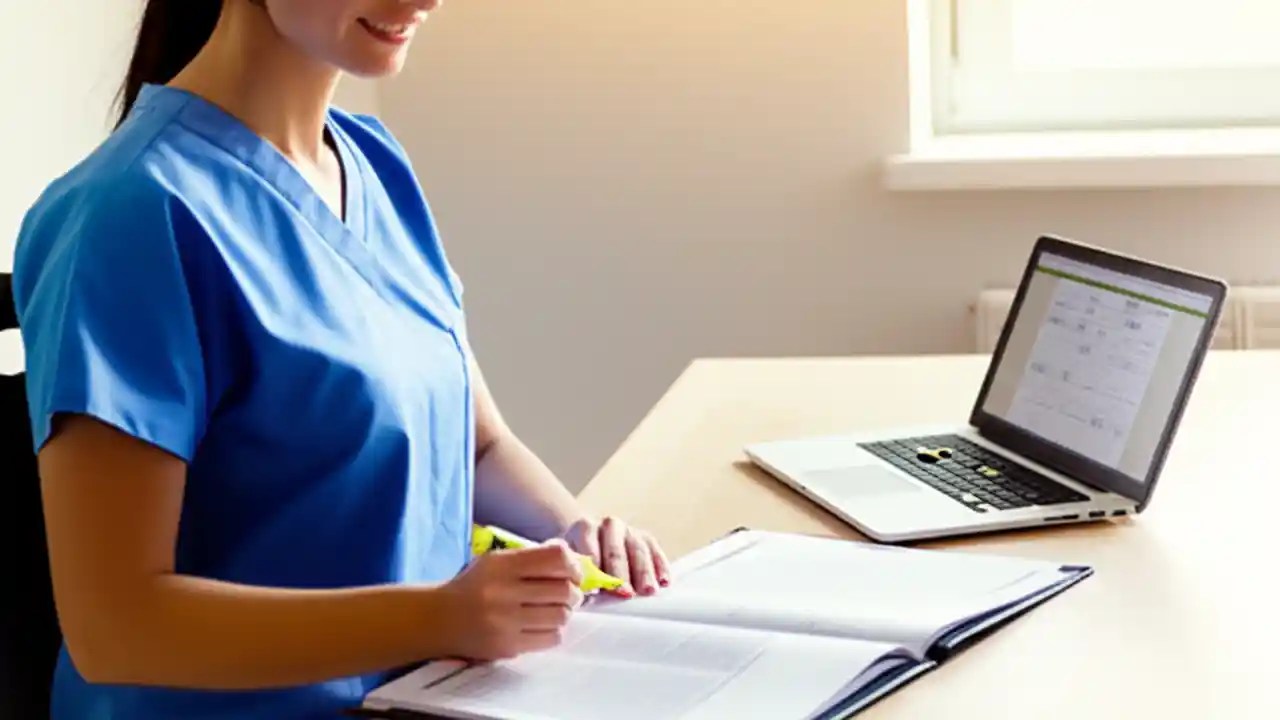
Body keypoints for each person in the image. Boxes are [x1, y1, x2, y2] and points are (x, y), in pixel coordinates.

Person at [10, 1, 671, 718]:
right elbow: (116, 626)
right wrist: (440, 618)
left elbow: (476, 445)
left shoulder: (372, 164)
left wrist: (574, 536)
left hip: (423, 694)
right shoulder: (128, 217)